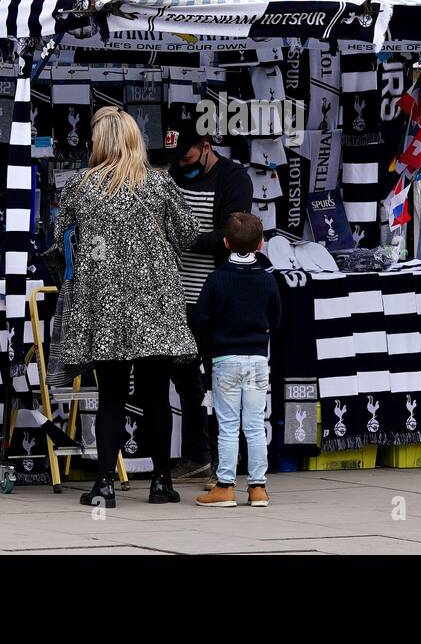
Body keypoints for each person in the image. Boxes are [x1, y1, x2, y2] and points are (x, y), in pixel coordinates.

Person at [54, 107, 199, 508]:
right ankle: (160, 482)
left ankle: (103, 485)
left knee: (112, 396)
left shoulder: (80, 186)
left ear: (98, 141)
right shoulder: (158, 184)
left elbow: (57, 238)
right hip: (155, 300)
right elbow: (187, 233)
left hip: (104, 305)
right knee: (155, 394)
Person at [168, 122, 253, 483]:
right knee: (187, 381)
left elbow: (230, 237)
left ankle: (229, 461)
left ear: (205, 146)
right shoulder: (173, 174)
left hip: (214, 298)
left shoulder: (234, 179)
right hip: (176, 297)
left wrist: (182, 238)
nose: (182, 164)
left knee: (222, 380)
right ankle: (198, 456)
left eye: (188, 156)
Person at [191, 213, 280, 508]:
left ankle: (225, 486)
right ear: (261, 244)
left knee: (227, 425)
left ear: (225, 242)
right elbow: (277, 318)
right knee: (254, 424)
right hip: (257, 358)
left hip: (225, 358)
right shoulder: (267, 281)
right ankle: (258, 488)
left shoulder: (216, 279)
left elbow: (201, 319)